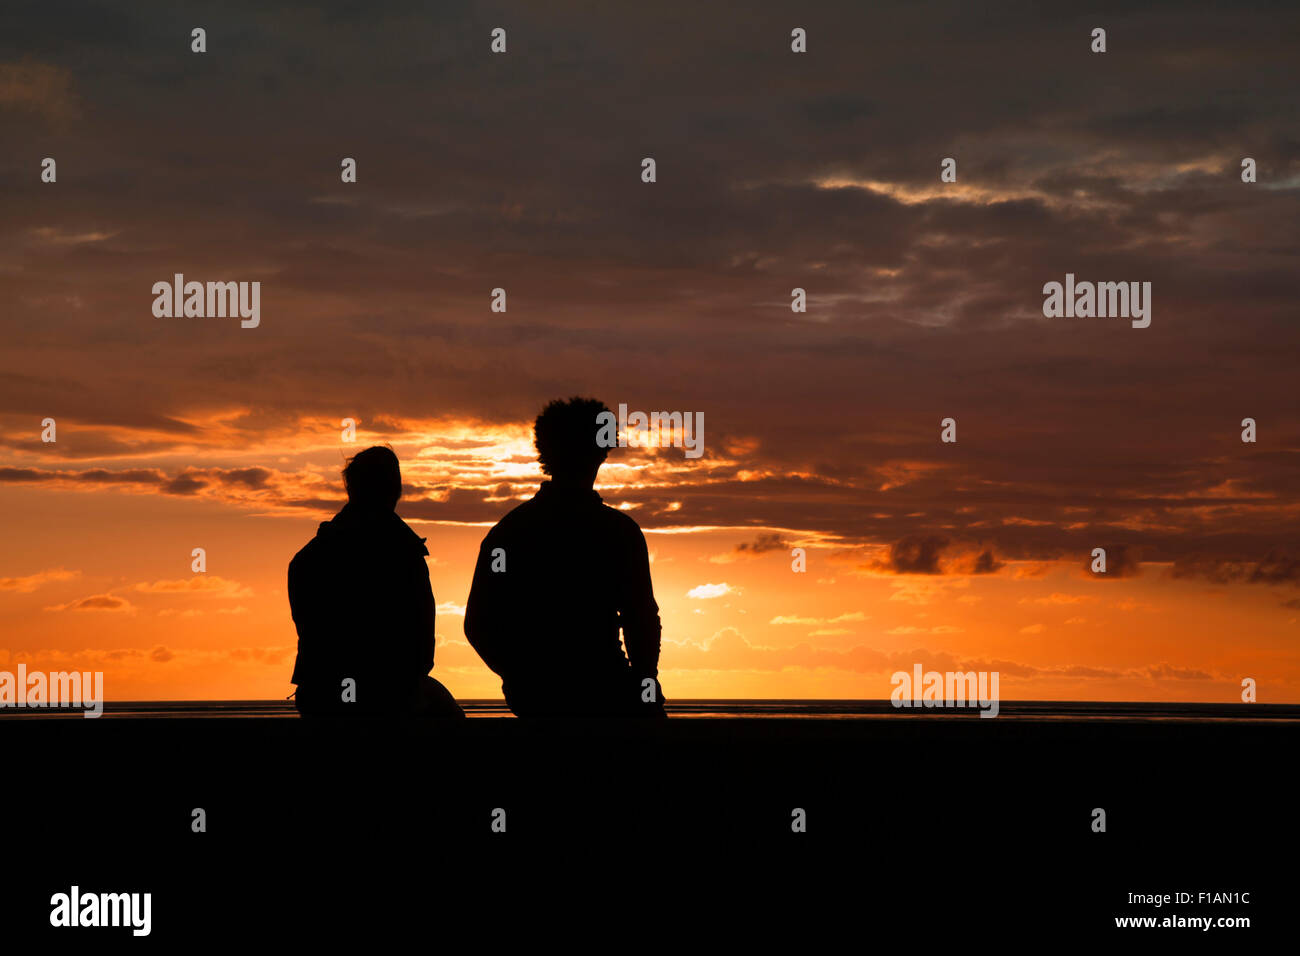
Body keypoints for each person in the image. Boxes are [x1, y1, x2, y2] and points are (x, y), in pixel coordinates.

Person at [465, 397, 667, 717]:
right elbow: (640, 618)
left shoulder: (508, 535)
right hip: (606, 692)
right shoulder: (619, 533)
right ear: (604, 451)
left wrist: (522, 679)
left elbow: (480, 625)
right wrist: (645, 683)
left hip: (546, 697)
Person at [287, 445, 463, 718]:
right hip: (388, 697)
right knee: (450, 718)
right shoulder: (403, 553)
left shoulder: (307, 558)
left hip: (320, 695)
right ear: (395, 490)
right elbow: (421, 649)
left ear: (351, 488)